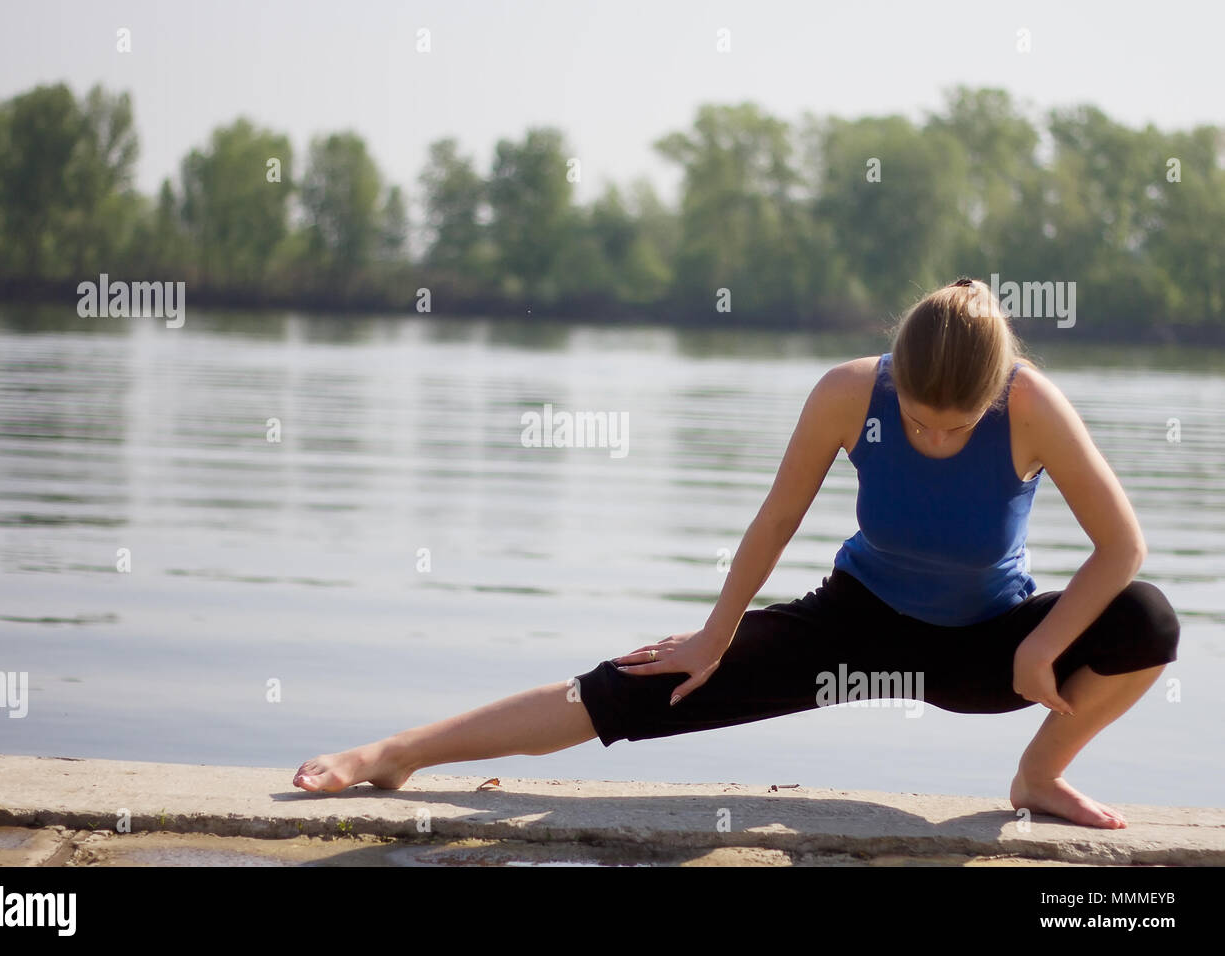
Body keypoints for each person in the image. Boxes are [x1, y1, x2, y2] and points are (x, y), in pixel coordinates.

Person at [292, 277, 1180, 830]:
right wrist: (712, 638)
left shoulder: (1031, 404)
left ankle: (1038, 776)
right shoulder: (845, 392)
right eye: (914, 420)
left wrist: (1037, 643)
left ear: (994, 396)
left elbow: (1121, 545)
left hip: (986, 650)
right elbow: (774, 522)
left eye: (954, 428)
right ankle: (397, 753)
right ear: (891, 377)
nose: (934, 439)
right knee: (633, 685)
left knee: (1147, 620)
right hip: (855, 624)